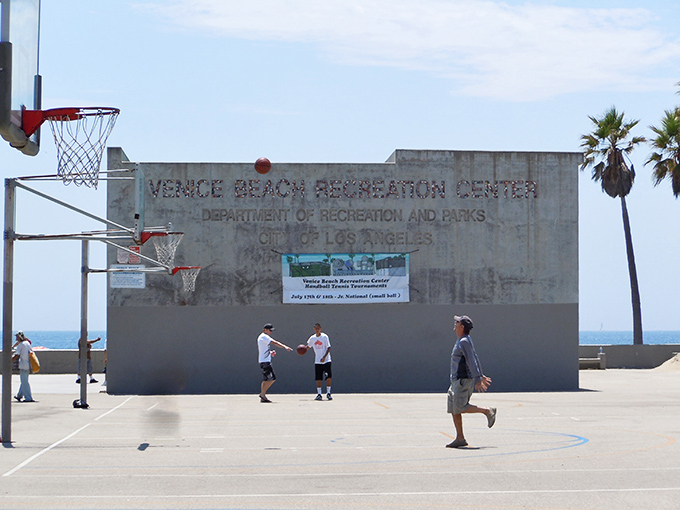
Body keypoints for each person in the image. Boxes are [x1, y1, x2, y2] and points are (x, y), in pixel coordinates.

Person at [446, 315, 496, 448]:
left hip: (463, 381)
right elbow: (474, 357)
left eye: (457, 322)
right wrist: (480, 374)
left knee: (461, 407)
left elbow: (471, 360)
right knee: (454, 408)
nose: (455, 324)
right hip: (456, 380)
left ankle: (487, 411)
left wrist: (478, 378)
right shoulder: (463, 340)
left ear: (462, 327)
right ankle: (460, 438)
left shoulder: (464, 341)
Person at [257, 324, 293, 403]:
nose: (271, 332)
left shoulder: (261, 338)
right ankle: (262, 394)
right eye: (270, 330)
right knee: (272, 378)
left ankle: (263, 396)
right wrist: (285, 347)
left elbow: (262, 349)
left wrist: (270, 353)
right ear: (265, 330)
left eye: (271, 331)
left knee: (266, 379)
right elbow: (275, 342)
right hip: (265, 362)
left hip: (263, 361)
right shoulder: (264, 336)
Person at [305, 323, 333, 400]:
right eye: (315, 328)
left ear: (320, 329)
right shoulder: (312, 338)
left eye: (318, 328)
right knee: (318, 378)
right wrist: (303, 350)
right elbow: (308, 346)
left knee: (328, 377)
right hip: (318, 361)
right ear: (314, 329)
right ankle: (319, 394)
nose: (317, 330)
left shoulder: (324, 337)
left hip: (326, 360)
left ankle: (328, 393)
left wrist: (324, 357)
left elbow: (329, 347)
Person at [13, 331, 36, 402]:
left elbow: (16, 355)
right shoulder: (27, 343)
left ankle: (28, 398)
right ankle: (19, 395)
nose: (16, 338)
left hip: (23, 365)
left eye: (17, 337)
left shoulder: (21, 345)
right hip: (28, 365)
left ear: (19, 337)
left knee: (25, 382)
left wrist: (10, 361)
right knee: (24, 381)